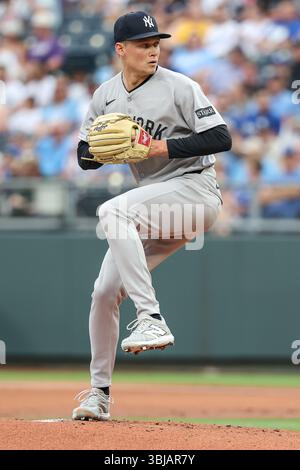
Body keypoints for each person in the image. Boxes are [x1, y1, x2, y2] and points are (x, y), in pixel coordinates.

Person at [72, 11, 232, 421]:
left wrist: (157, 148)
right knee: (104, 292)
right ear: (120, 50)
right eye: (143, 44)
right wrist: (103, 150)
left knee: (111, 211)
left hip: (196, 192)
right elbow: (84, 156)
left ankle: (151, 318)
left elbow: (222, 137)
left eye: (156, 42)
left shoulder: (180, 86)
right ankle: (98, 394)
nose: (153, 50)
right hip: (154, 206)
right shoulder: (105, 95)